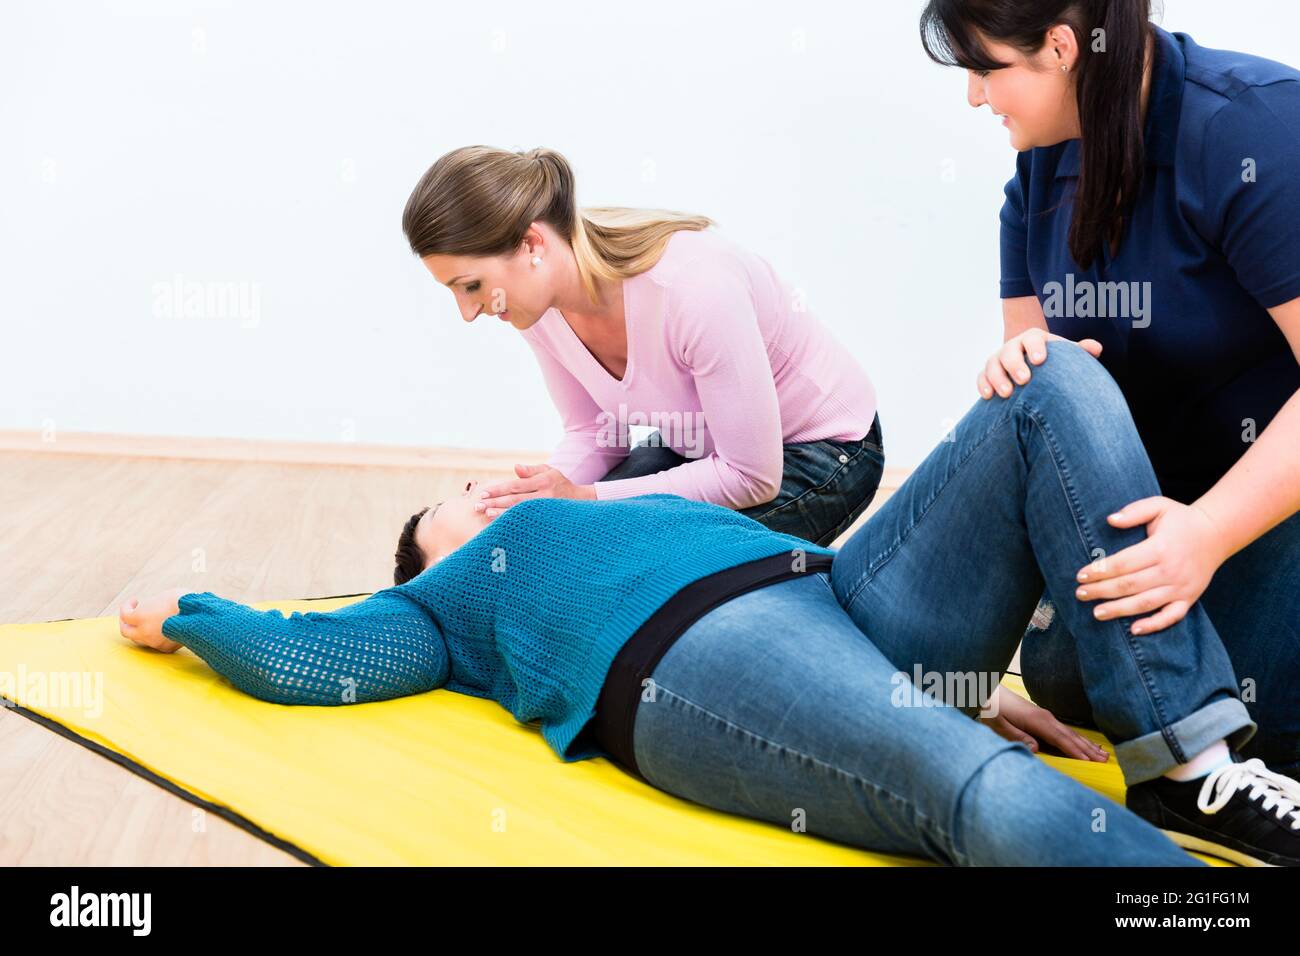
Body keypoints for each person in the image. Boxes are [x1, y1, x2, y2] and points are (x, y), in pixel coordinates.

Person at [121, 343, 1300, 866]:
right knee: (969, 784)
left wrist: (971, 684)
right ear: (425, 558)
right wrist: (189, 611)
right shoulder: (443, 601)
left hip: (834, 594)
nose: (484, 493)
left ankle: (1180, 747)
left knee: (1049, 377)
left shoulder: (609, 499)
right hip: (696, 658)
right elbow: (301, 659)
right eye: (456, 505)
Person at [919, 0, 1300, 780]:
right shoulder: (1039, 170)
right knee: (1062, 677)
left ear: (1061, 47)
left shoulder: (1252, 131)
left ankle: (1199, 764)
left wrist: (1208, 535)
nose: (974, 99)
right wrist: (1016, 369)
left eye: (985, 69)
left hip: (1269, 494)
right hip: (1160, 498)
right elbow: (1035, 384)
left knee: (1264, 700)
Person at [399, 145, 883, 547]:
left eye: (470, 286)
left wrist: (585, 498)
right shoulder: (534, 307)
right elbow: (595, 431)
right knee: (562, 534)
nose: (469, 312)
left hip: (819, 452)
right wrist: (538, 496)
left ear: (531, 245)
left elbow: (753, 476)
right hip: (701, 447)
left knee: (616, 557)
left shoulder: (693, 290)